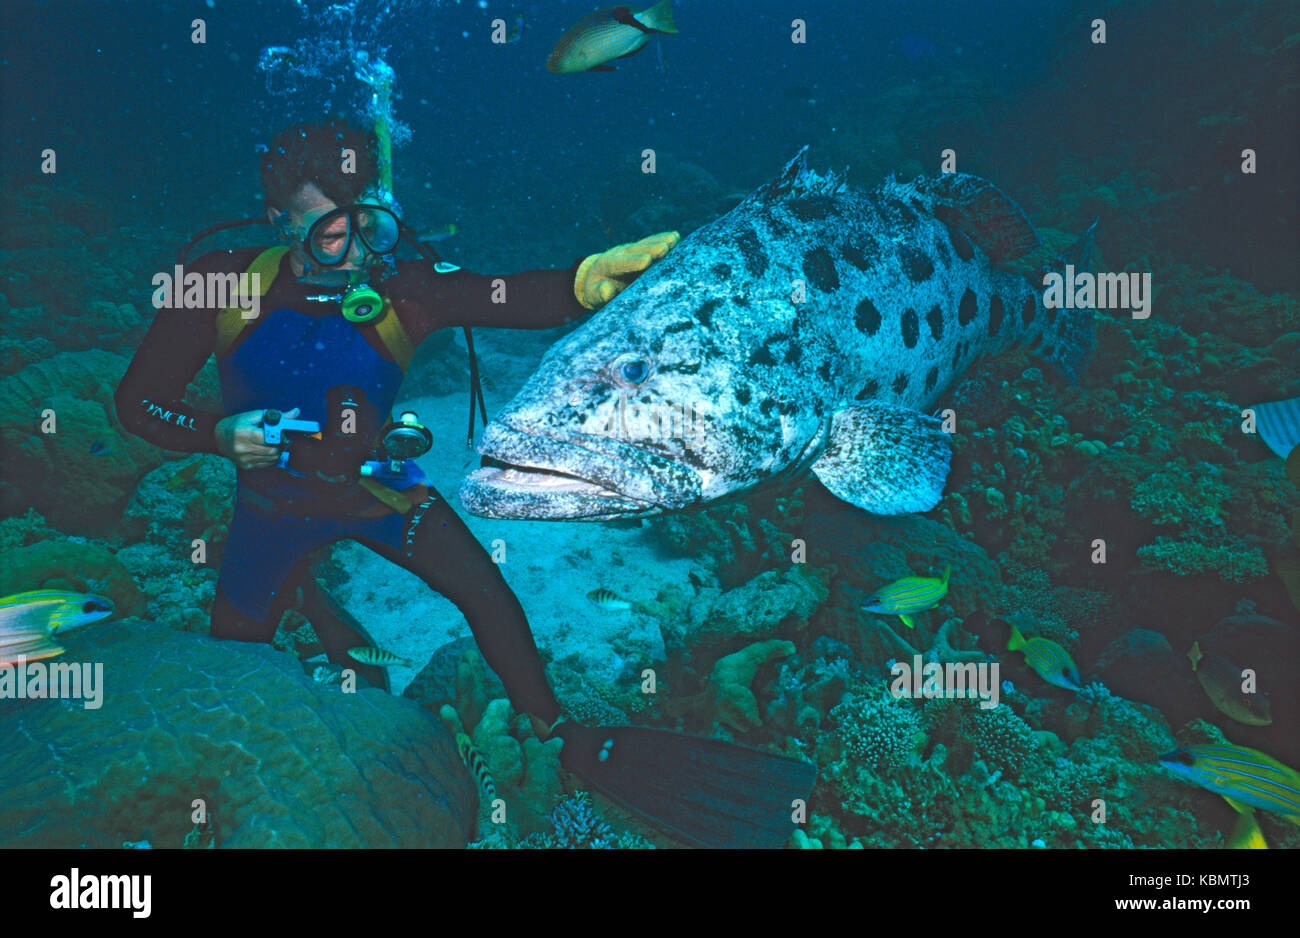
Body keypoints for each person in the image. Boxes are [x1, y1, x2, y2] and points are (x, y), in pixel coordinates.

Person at [115, 118, 677, 729]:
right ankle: (315, 606)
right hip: (269, 511)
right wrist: (216, 435)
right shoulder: (218, 281)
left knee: (487, 595)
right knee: (235, 665)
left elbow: (502, 294)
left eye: (371, 227)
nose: (357, 253)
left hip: (380, 488)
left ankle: (551, 730)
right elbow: (139, 401)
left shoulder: (400, 286)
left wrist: (585, 280)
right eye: (332, 234)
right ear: (279, 221)